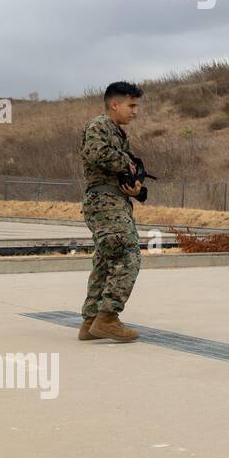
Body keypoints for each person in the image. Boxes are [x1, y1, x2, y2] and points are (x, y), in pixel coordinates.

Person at [78, 81, 147, 343]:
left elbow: (123, 167)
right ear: (114, 104)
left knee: (106, 260)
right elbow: (96, 153)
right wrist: (128, 165)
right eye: (131, 105)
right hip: (105, 201)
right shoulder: (99, 125)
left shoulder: (117, 132)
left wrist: (135, 184)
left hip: (113, 199)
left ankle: (90, 322)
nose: (135, 111)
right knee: (128, 254)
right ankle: (107, 318)